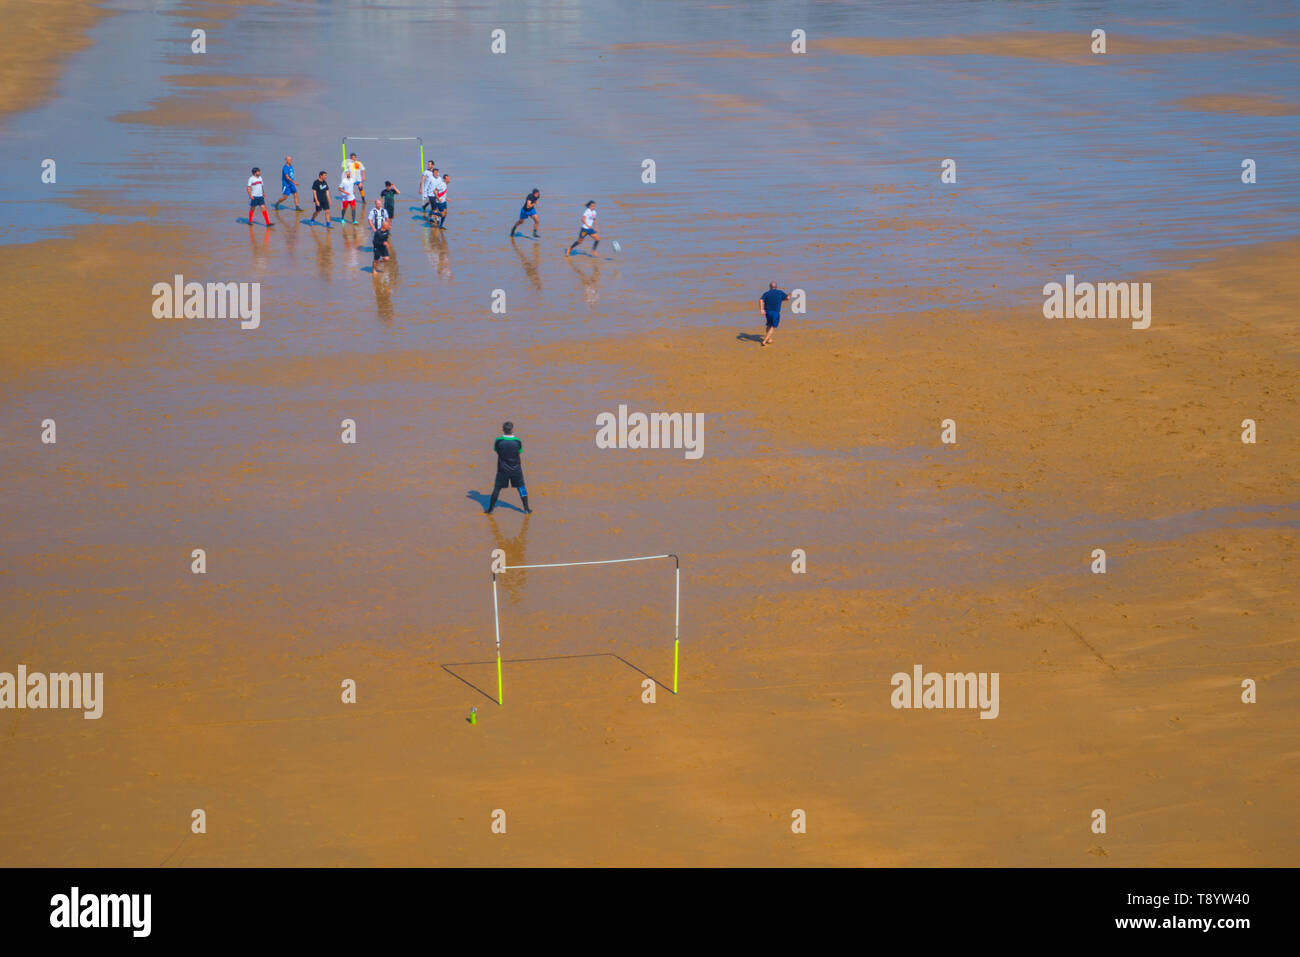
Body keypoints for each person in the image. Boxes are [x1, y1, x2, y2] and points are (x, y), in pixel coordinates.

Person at [485, 422, 531, 514]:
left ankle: (490, 509)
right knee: (521, 488)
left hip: (502, 469)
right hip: (516, 469)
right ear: (512, 429)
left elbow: (496, 450)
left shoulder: (498, 440)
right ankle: (526, 509)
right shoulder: (518, 441)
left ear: (503, 429)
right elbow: (519, 451)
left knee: (497, 489)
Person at [759, 281, 789, 347]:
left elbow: (761, 300)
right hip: (775, 313)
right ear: (776, 287)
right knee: (772, 327)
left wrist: (761, 309)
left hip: (768, 312)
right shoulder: (780, 292)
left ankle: (769, 339)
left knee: (769, 325)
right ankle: (764, 341)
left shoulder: (766, 293)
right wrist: (785, 298)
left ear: (770, 287)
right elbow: (787, 298)